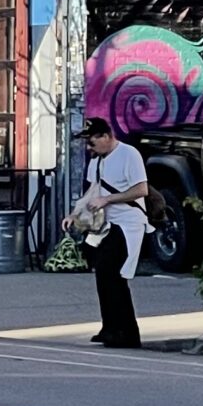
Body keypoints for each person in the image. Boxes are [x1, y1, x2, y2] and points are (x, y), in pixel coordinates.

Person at [73, 116, 150, 348]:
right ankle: (110, 327)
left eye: (92, 142)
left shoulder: (129, 154)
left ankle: (127, 332)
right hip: (105, 225)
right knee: (102, 274)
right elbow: (92, 192)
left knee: (112, 273)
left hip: (128, 224)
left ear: (106, 136)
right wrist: (74, 214)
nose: (89, 148)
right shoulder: (97, 162)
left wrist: (108, 199)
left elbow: (141, 189)